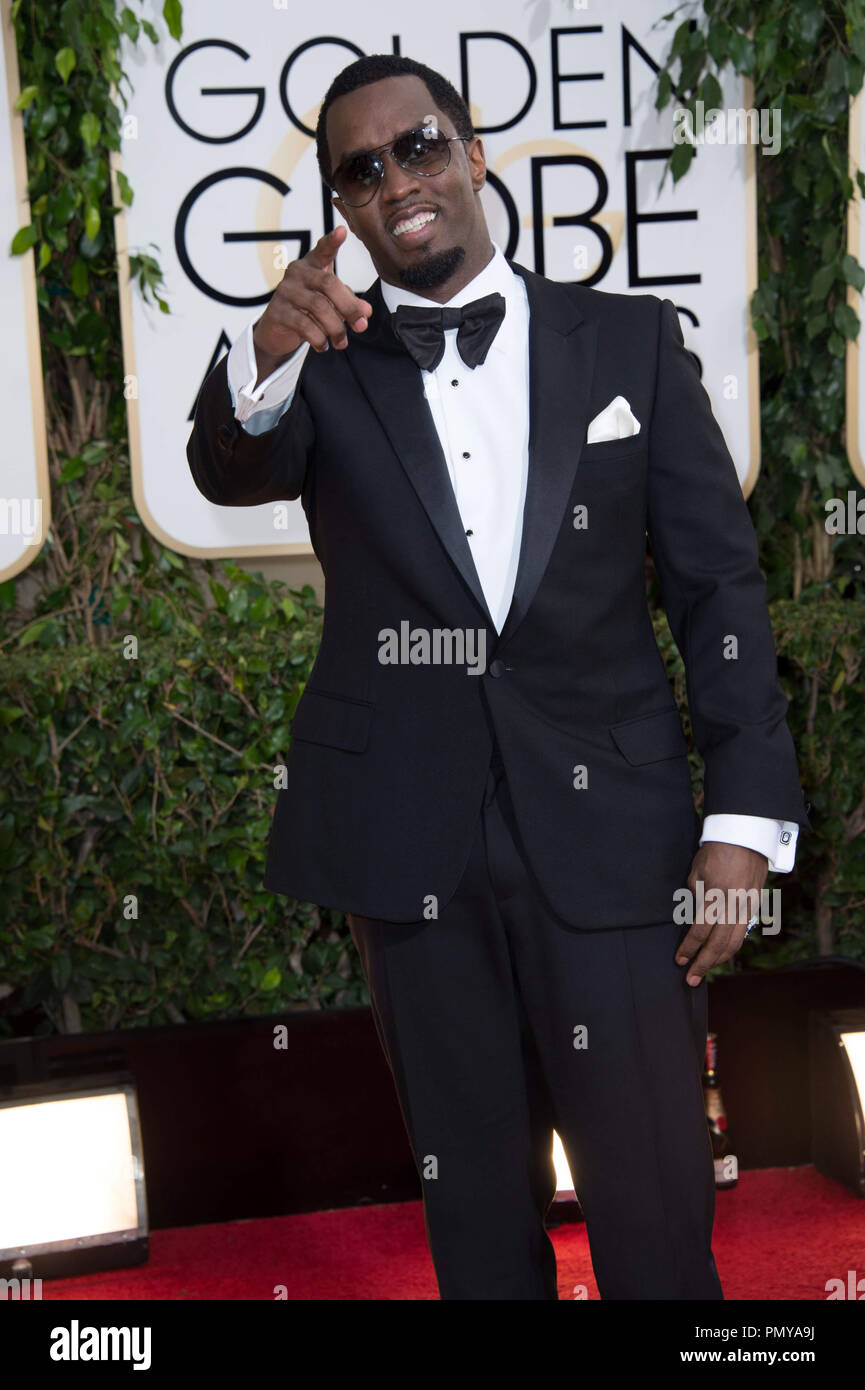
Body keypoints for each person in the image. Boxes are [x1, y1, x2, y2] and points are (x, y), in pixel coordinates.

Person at [186, 53, 809, 1300]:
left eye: (418, 147)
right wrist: (261, 353)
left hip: (617, 842)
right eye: (359, 171)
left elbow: (717, 591)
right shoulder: (322, 368)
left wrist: (743, 823)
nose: (397, 182)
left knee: (653, 1211)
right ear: (342, 213)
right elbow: (227, 470)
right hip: (412, 851)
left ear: (473, 155)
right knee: (471, 1215)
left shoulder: (628, 341)